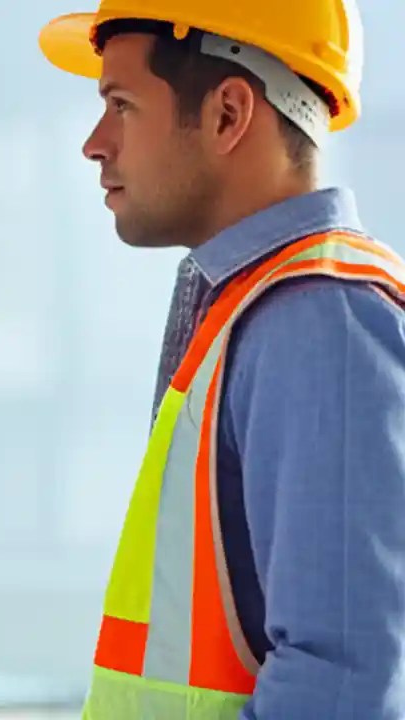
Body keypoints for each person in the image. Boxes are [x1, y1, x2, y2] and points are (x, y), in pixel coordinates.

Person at [39, 1, 405, 718]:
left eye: (121, 104)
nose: (93, 142)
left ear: (228, 114)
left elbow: (341, 686)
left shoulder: (320, 323)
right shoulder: (258, 308)